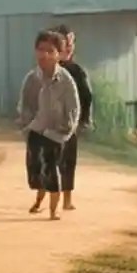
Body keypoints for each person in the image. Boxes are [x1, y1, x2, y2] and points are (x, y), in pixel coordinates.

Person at [16, 30, 80, 220]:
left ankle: (54, 209)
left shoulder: (66, 81)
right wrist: (26, 125)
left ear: (59, 55)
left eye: (50, 51)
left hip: (56, 133)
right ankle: (39, 198)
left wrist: (66, 128)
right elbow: (24, 105)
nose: (44, 55)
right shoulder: (31, 79)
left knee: (52, 168)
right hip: (36, 130)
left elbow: (73, 107)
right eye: (40, 49)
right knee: (35, 167)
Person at [53, 25, 93, 211]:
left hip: (70, 124)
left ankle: (67, 199)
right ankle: (50, 196)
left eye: (72, 42)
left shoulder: (77, 71)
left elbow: (87, 96)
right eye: (65, 42)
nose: (69, 46)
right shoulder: (45, 70)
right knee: (49, 160)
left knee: (68, 161)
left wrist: (84, 120)